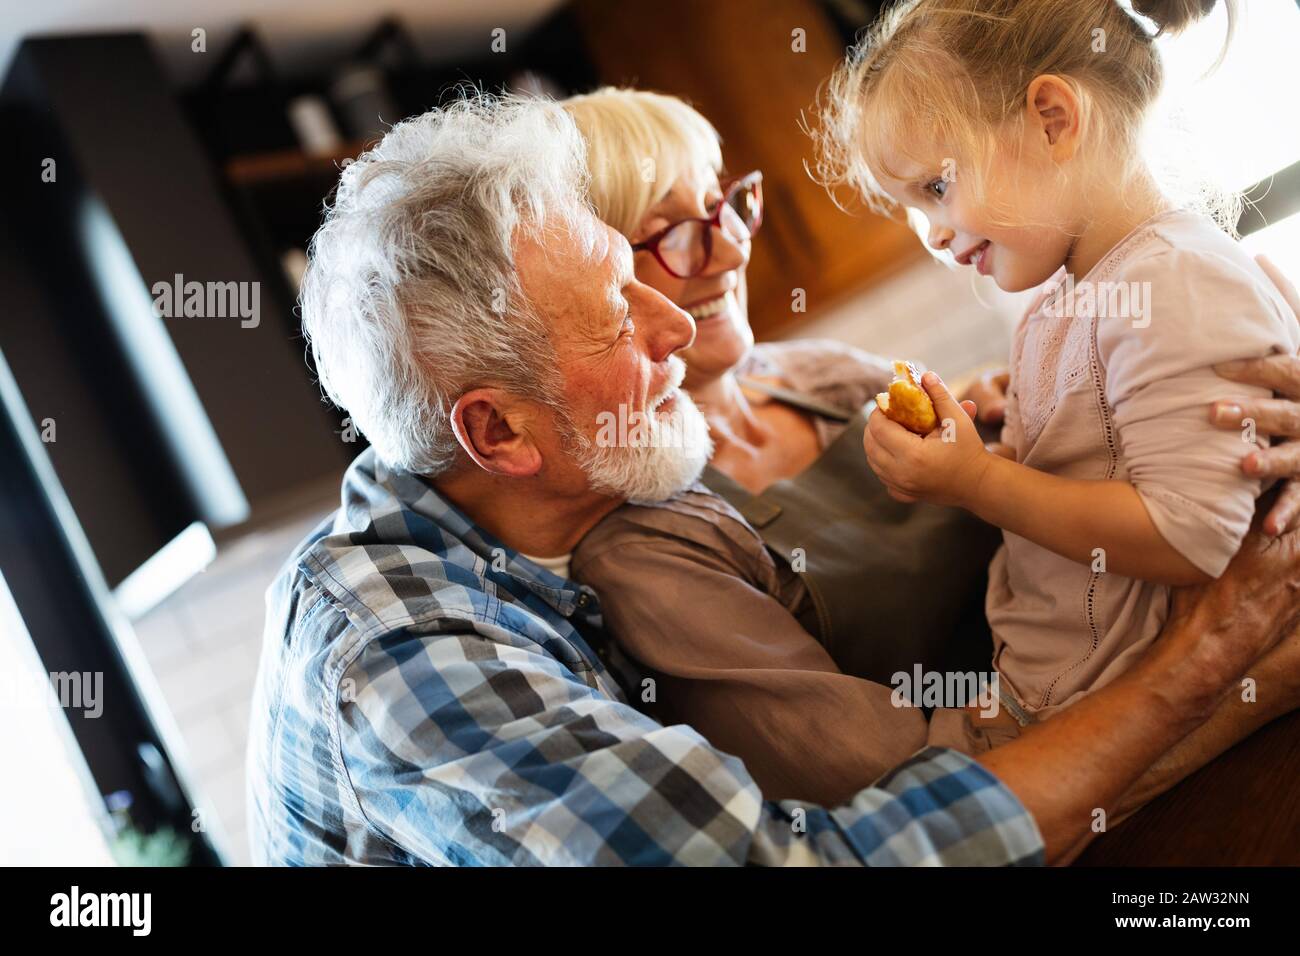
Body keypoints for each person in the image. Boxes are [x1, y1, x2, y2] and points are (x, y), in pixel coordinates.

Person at [246, 91, 1300, 867]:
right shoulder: (400, 652)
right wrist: (1212, 658)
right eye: (624, 310)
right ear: (497, 429)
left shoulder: (591, 476)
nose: (683, 322)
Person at [564, 87, 1300, 807]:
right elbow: (914, 812)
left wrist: (1258, 416)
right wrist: (1227, 672)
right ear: (591, 285)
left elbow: (1076, 468)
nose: (728, 251)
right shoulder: (645, 551)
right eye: (672, 232)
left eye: (727, 206)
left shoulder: (814, 373)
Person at [816, 0, 1299, 729]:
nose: (934, 237)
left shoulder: (1174, 282)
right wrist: (983, 458)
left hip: (1116, 705)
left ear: (1052, 119)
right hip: (1057, 686)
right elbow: (1093, 467)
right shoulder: (1071, 297)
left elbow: (1185, 535)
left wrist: (979, 481)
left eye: (936, 189)